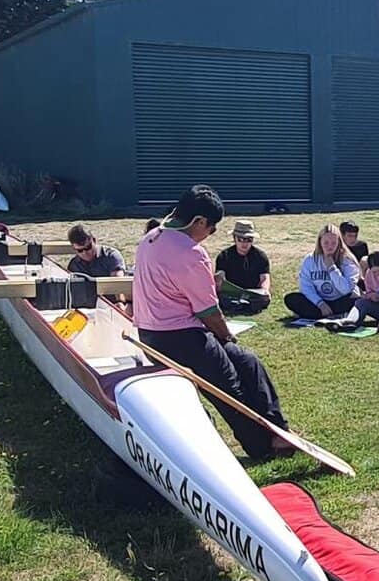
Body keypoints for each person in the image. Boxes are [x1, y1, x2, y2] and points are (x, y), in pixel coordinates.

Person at [131, 185, 291, 460]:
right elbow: (209, 312)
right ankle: (261, 447)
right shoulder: (191, 252)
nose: (210, 235)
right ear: (199, 221)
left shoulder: (151, 238)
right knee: (228, 385)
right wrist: (226, 336)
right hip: (179, 336)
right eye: (212, 228)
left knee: (247, 361)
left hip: (152, 334)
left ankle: (279, 431)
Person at [285, 225, 360, 320]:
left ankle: (321, 314)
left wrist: (332, 268)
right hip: (320, 300)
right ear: (320, 242)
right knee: (291, 299)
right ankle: (328, 313)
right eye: (326, 243)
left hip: (341, 299)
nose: (330, 246)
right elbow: (305, 286)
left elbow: (346, 289)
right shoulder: (310, 259)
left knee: (356, 300)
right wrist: (320, 303)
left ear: (339, 243)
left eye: (333, 243)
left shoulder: (347, 260)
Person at [214, 219, 271, 314]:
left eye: (249, 240)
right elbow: (220, 278)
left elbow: (265, 278)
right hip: (231, 294)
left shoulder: (260, 256)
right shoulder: (224, 256)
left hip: (252, 293)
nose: (244, 243)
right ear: (234, 238)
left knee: (263, 299)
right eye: (240, 239)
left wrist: (264, 291)